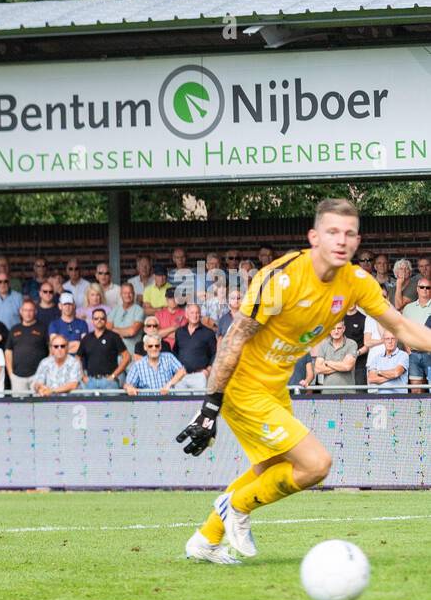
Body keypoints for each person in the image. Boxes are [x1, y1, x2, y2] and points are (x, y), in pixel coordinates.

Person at [178, 198, 431, 565]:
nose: (341, 240)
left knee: (268, 470)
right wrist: (209, 408)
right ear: (314, 237)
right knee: (315, 464)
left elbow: (403, 327)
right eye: (332, 232)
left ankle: (205, 539)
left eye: (349, 234)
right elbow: (233, 339)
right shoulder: (279, 280)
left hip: (274, 387)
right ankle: (235, 505)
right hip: (242, 386)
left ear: (357, 241)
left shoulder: (357, 282)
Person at [78, 308, 130, 391]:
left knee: (113, 404)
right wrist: (82, 376)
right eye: (96, 318)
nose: (99, 320)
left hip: (109, 382)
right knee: (88, 404)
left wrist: (114, 375)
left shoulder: (114, 336)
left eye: (102, 318)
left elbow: (127, 357)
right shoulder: (86, 339)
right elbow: (77, 358)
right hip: (90, 381)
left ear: (106, 320)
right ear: (92, 321)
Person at [172, 302, 218, 392]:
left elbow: (215, 354)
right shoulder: (179, 332)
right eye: (192, 313)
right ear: (186, 315)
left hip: (199, 376)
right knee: (179, 404)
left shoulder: (208, 333)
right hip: (181, 376)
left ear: (200, 314)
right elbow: (175, 352)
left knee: (199, 404)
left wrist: (208, 370)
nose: (195, 315)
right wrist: (176, 370)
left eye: (197, 313)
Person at [6, 300, 48, 395]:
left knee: (40, 406)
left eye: (30, 310)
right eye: (25, 310)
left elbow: (50, 350)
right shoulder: (14, 329)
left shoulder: (42, 328)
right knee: (19, 408)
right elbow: (8, 351)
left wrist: (45, 372)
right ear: (21, 312)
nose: (28, 313)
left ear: (35, 312)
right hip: (17, 377)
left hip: (38, 376)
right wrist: (10, 373)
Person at [310, 321, 359, 390]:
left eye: (339, 328)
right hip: (327, 392)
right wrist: (341, 365)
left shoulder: (351, 344)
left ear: (343, 329)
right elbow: (318, 369)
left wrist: (327, 362)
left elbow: (347, 367)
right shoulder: (323, 345)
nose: (336, 331)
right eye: (333, 328)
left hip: (347, 392)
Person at [107, 282, 145, 354]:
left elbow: (131, 332)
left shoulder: (139, 310)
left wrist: (114, 330)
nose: (127, 295)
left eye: (130, 293)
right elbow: (107, 329)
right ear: (121, 295)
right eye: (125, 293)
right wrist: (123, 332)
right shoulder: (115, 309)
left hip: (132, 352)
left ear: (134, 294)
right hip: (115, 352)